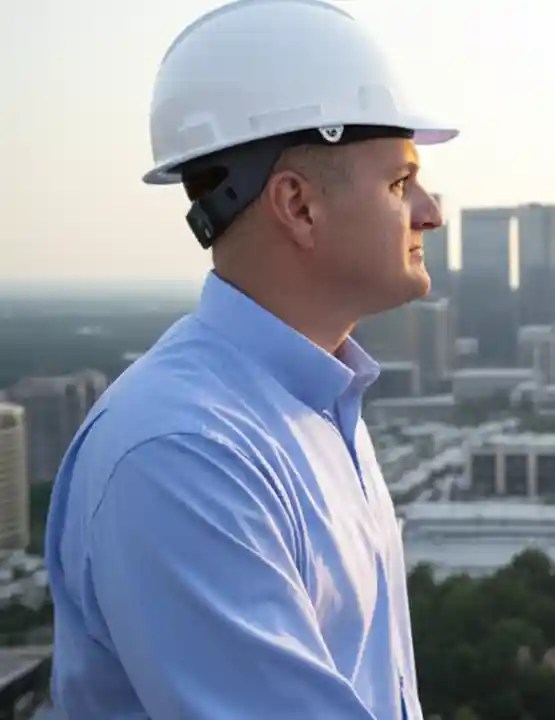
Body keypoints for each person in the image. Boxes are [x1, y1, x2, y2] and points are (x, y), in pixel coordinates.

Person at [44, 1, 456, 717]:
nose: (432, 211)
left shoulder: (317, 407)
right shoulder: (181, 452)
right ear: (297, 206)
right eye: (399, 183)